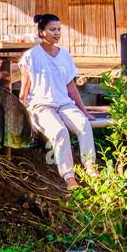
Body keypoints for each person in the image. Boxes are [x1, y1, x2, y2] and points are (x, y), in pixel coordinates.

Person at [18, 13, 96, 189]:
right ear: (41, 31)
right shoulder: (31, 56)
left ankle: (90, 167)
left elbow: (71, 87)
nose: (57, 33)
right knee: (60, 131)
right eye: (52, 29)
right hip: (41, 106)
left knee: (83, 124)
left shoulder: (65, 55)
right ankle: (69, 177)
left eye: (59, 29)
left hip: (64, 104)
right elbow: (25, 88)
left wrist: (84, 111)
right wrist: (22, 114)